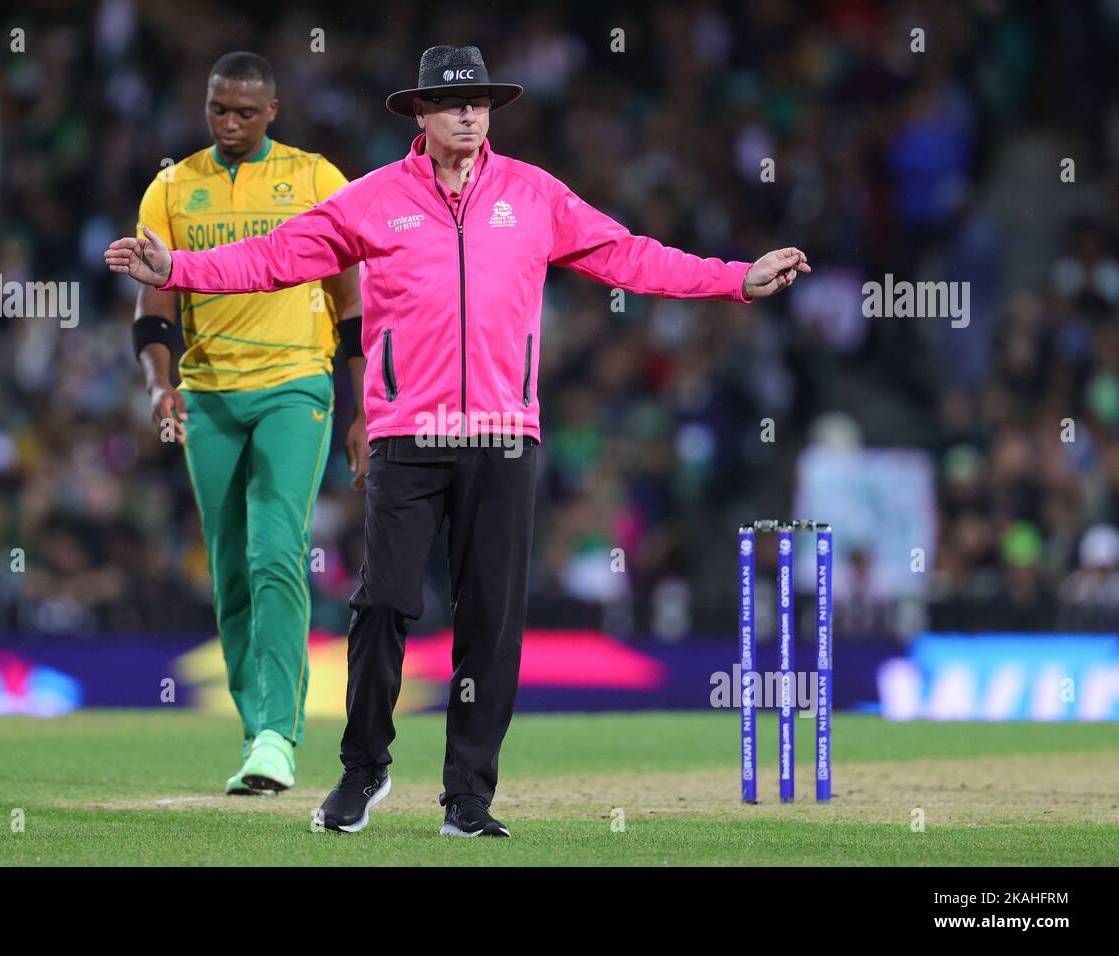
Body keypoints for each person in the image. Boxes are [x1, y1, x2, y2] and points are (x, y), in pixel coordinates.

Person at [106, 45, 809, 836]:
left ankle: (468, 800)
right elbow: (276, 258)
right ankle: (362, 772)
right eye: (451, 102)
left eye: (479, 100)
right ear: (420, 115)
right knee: (381, 604)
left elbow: (627, 257)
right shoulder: (374, 200)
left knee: (492, 624)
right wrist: (182, 265)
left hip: (505, 436)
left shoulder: (533, 194)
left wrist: (733, 278)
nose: (469, 113)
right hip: (409, 434)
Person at [130, 51, 367, 797]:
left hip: (296, 385)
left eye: (244, 112)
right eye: (217, 110)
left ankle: (279, 736)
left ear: (273, 112)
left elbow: (353, 302)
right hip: (209, 396)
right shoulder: (172, 187)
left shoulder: (318, 179)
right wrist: (158, 387)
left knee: (275, 550)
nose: (229, 124)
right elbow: (153, 309)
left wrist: (363, 406)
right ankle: (254, 726)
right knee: (229, 570)